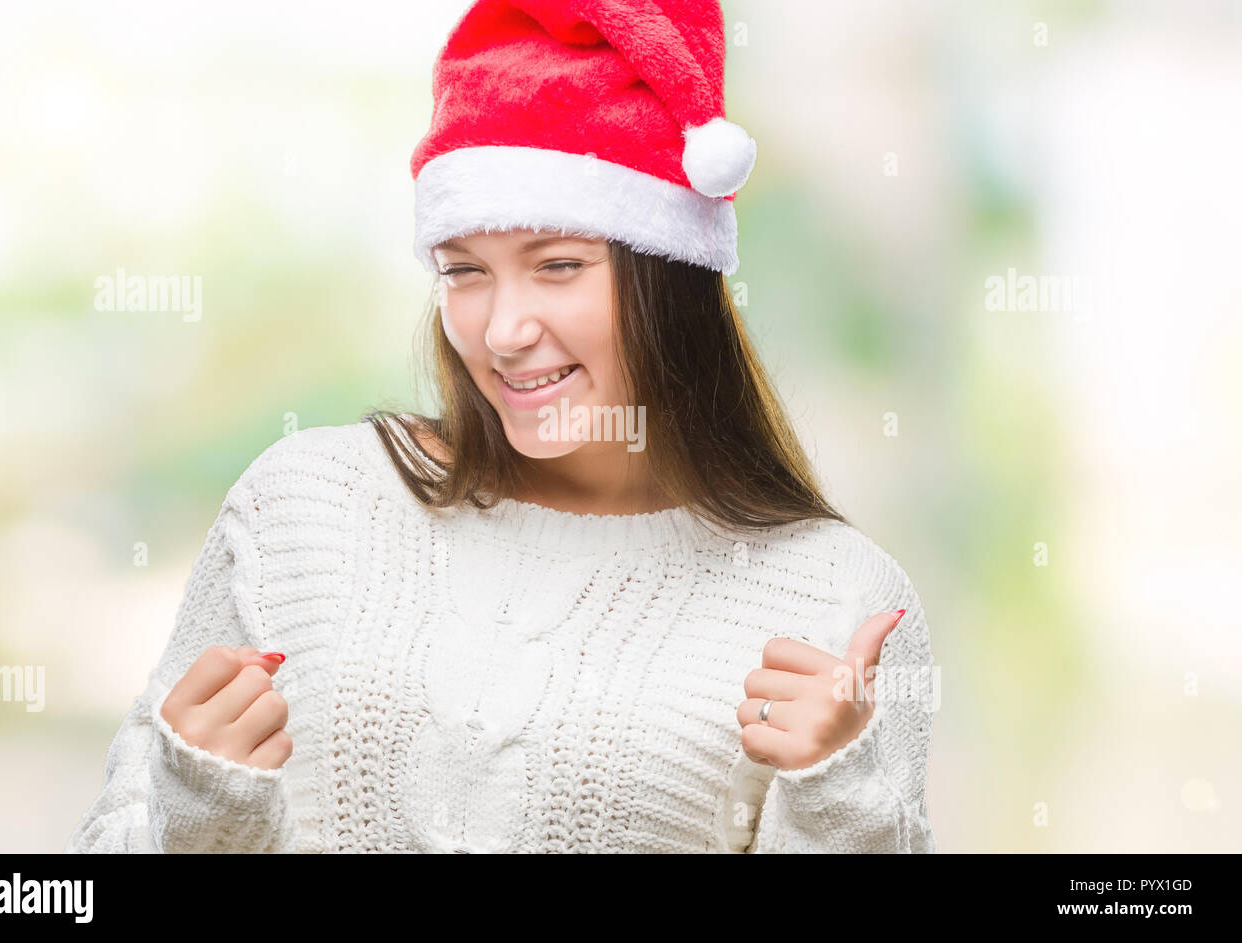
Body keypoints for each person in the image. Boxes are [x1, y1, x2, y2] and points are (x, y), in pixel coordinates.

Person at [66, 0, 937, 854]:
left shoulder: (832, 595)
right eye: (465, 271)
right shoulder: (304, 509)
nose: (503, 329)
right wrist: (199, 811)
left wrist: (839, 801)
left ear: (671, 275)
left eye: (558, 266)